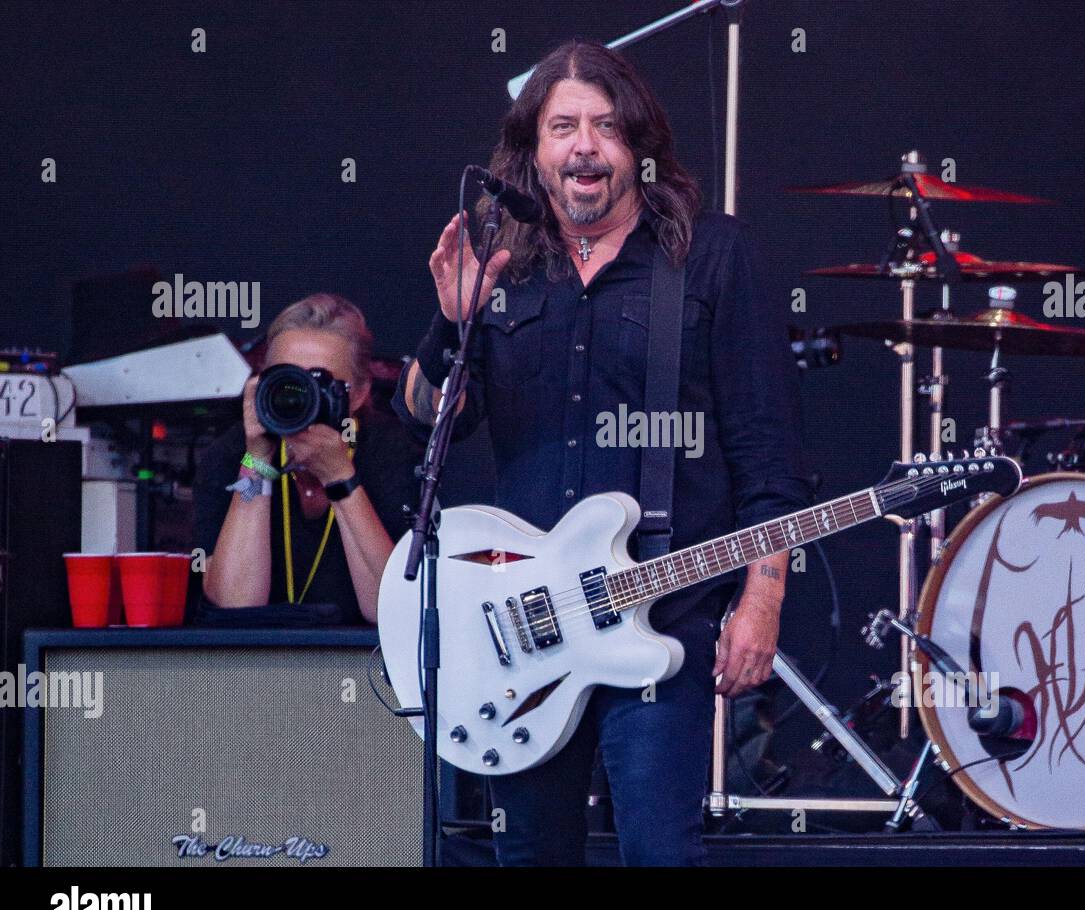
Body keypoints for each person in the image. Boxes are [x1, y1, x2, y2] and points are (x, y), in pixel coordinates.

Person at [393, 40, 811, 865]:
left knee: (659, 849)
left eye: (606, 127)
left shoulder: (709, 256)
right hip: (521, 620)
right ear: (534, 153)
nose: (584, 144)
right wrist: (453, 324)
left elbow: (768, 451)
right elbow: (422, 419)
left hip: (662, 608)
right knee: (532, 855)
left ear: (637, 149)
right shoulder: (502, 265)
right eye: (563, 127)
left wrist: (761, 601)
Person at [195, 293, 421, 624]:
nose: (299, 394)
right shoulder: (231, 453)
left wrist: (341, 478)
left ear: (357, 393)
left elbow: (390, 610)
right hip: (258, 665)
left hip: (361, 663)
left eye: (317, 381)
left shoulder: (392, 451)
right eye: (287, 378)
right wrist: (257, 460)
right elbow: (235, 606)